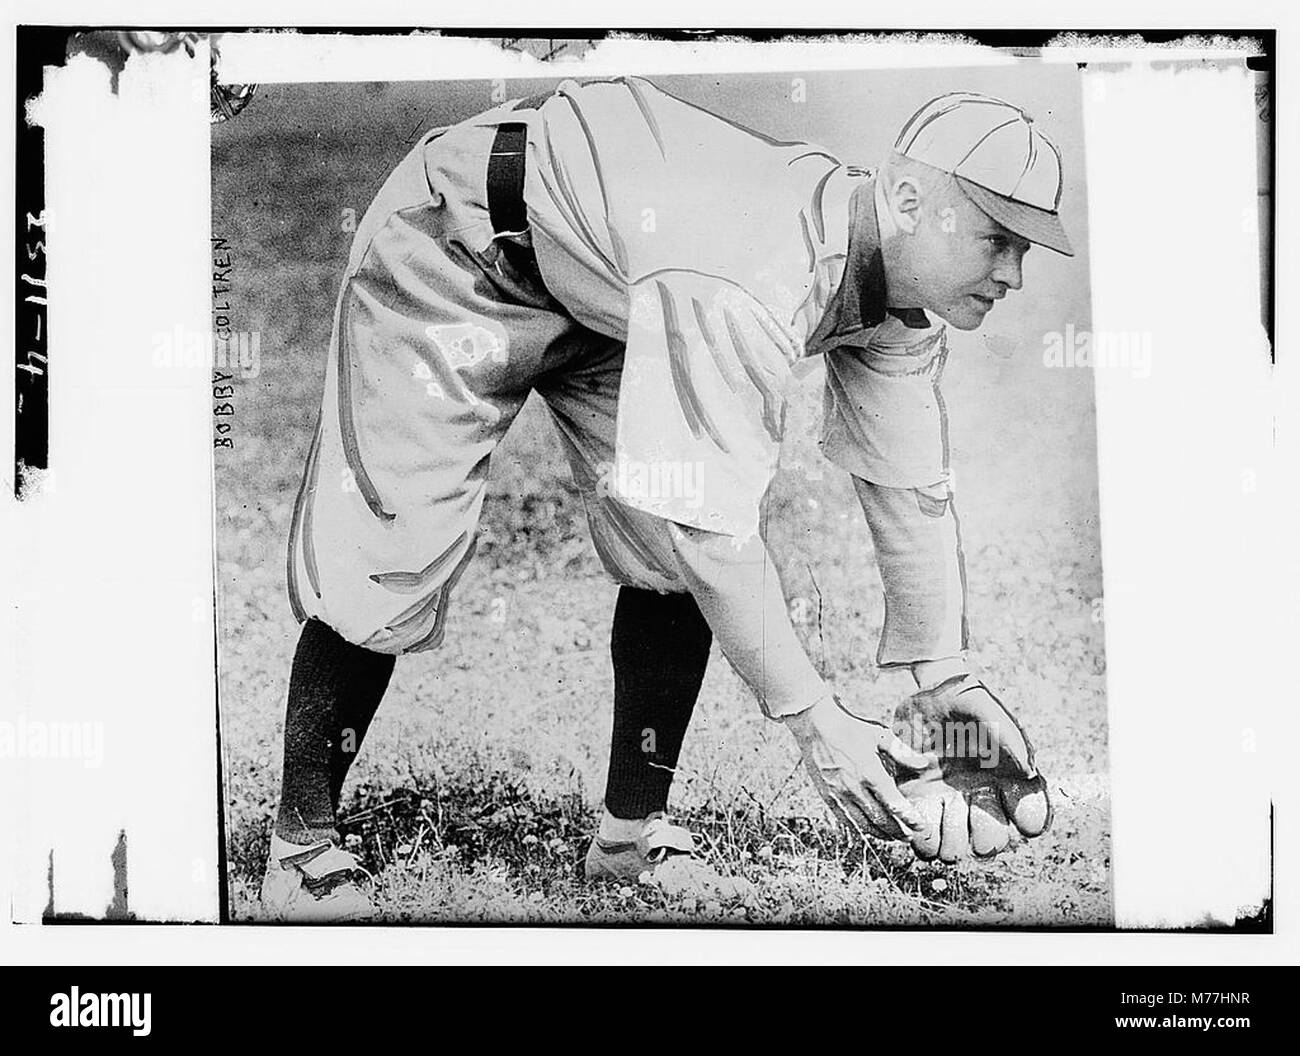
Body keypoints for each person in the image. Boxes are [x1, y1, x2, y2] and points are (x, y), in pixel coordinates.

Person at [260, 77, 1070, 921]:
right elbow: (712, 531)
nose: (1014, 273)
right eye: (996, 238)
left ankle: (628, 838)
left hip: (614, 277)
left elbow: (909, 491)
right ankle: (301, 845)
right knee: (392, 548)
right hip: (468, 238)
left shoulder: (899, 296)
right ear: (908, 198)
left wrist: (945, 677)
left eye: (1026, 248)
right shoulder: (753, 271)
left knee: (661, 552)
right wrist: (818, 723)